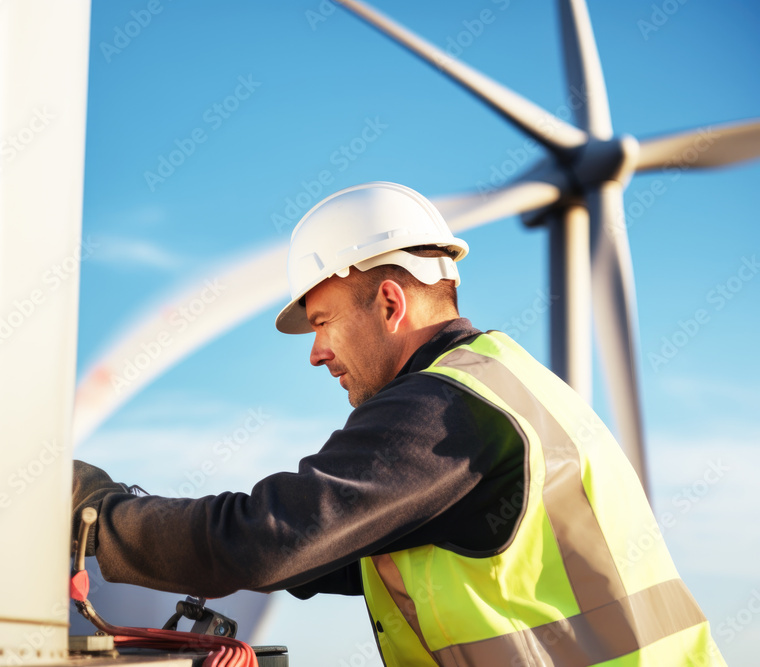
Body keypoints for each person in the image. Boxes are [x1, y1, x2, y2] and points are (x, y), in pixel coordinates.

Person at [72, 181, 725, 666]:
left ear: (388, 302)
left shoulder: (447, 407)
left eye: (323, 320)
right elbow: (321, 549)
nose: (316, 351)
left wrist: (95, 514)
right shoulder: (503, 381)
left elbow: (268, 540)